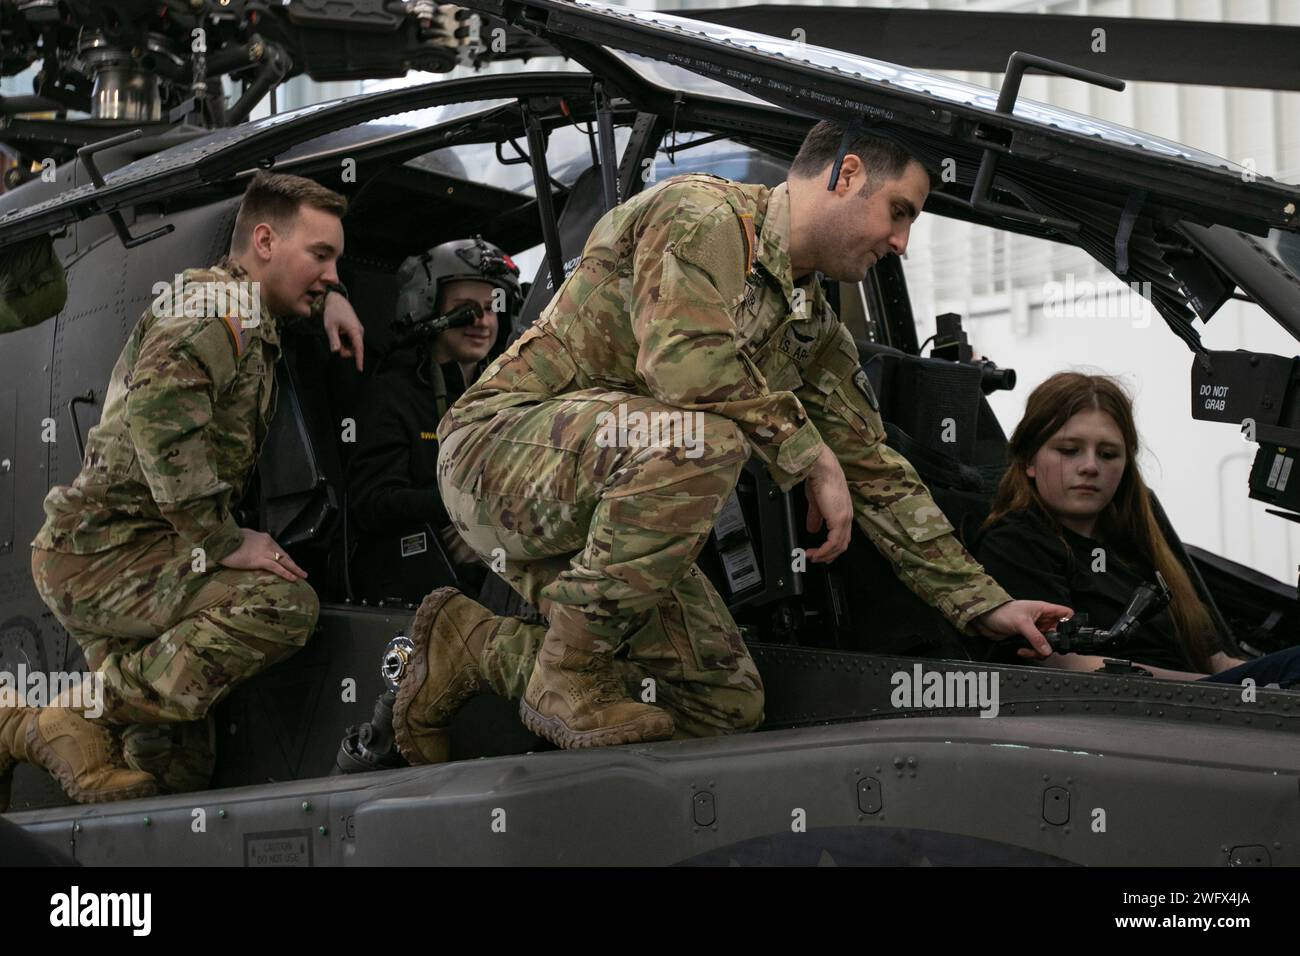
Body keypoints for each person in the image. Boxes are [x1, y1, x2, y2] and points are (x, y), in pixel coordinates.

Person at [387, 120, 1074, 764]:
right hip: (498, 456)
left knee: (724, 702)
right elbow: (684, 366)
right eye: (900, 211)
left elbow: (877, 472)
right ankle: (567, 673)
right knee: (703, 441)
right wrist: (808, 453)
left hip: (605, 511)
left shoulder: (810, 327)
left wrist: (981, 603)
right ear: (847, 173)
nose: (901, 241)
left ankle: (474, 648)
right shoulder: (704, 216)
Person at [2, 171, 365, 808]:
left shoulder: (245, 312)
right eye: (321, 255)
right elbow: (158, 414)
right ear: (263, 240)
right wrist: (223, 539)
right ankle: (54, 719)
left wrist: (329, 295)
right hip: (104, 555)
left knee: (171, 775)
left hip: (144, 558)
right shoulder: (215, 307)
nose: (332, 272)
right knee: (283, 606)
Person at [973, 371, 1300, 687]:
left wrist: (1260, 683)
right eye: (1069, 450)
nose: (1090, 466)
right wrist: (1215, 688)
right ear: (1029, 461)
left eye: (1108, 454)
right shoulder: (1015, 544)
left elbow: (1216, 659)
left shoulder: (1138, 549)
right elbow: (1065, 667)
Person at [347, 237, 520, 588]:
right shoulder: (394, 392)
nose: (482, 321)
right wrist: (466, 504)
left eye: (490, 308)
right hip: (420, 559)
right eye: (466, 309)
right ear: (427, 310)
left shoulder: (507, 392)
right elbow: (372, 502)